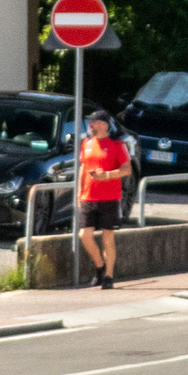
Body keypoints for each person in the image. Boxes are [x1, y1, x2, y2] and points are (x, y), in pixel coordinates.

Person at [74, 110, 130, 290]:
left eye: (94, 122)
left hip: (110, 198)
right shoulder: (86, 144)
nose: (90, 125)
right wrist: (79, 191)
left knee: (108, 237)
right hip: (88, 196)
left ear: (104, 124)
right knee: (84, 235)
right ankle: (99, 266)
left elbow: (127, 169)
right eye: (90, 122)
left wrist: (107, 175)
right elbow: (83, 167)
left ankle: (109, 276)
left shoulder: (117, 144)